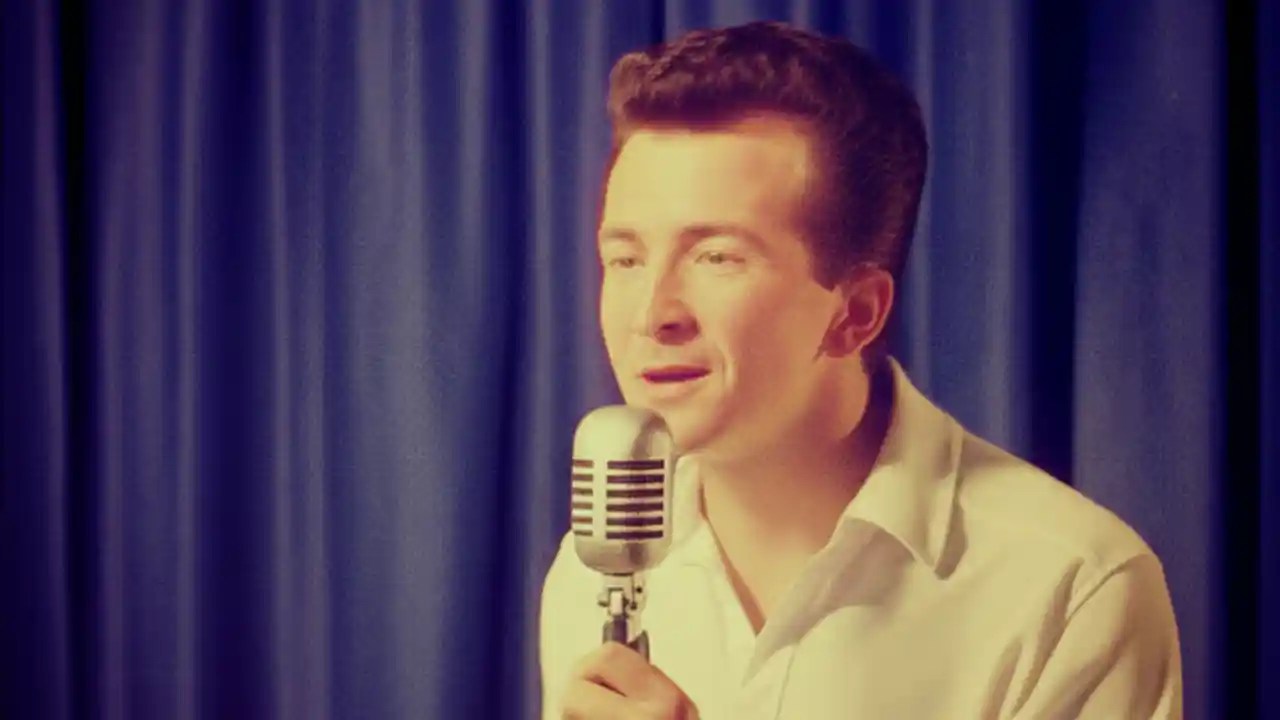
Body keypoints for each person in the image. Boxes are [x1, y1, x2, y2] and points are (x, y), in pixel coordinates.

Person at [540, 20, 1182, 720]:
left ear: (856, 314)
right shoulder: (587, 571)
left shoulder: (1072, 590)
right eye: (625, 259)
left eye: (717, 256)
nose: (652, 313)